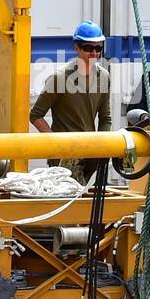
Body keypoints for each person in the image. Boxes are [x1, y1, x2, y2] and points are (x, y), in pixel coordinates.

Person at [28, 20, 114, 182]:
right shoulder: (59, 78)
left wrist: (101, 148)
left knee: (84, 204)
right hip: (64, 158)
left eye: (98, 48)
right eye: (88, 48)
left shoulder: (103, 77)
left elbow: (105, 119)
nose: (94, 53)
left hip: (90, 155)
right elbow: (35, 115)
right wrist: (57, 145)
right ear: (76, 47)